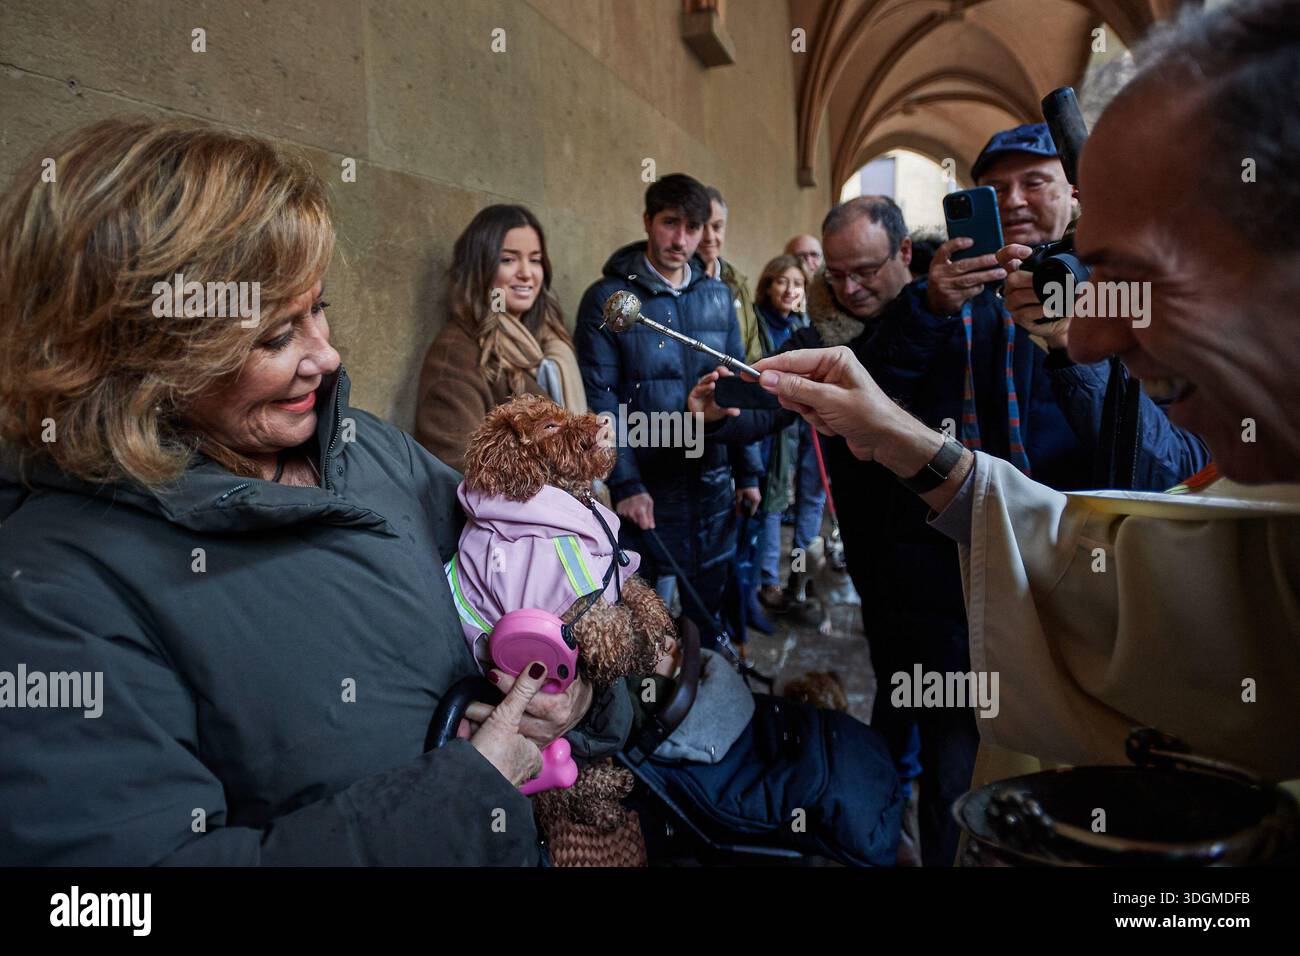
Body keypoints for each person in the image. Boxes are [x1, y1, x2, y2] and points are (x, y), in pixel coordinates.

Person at [0, 119, 612, 865]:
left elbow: (525, 577)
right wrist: (463, 797)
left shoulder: (364, 447)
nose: (326, 354)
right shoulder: (52, 595)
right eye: (271, 337)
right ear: (136, 357)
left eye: (316, 308)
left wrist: (578, 686)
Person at [753, 0, 1300, 783]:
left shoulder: (1102, 339)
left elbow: (1157, 499)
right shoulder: (946, 305)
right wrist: (903, 417)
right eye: (994, 190)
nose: (1104, 329)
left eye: (1138, 277)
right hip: (949, 614)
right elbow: (1141, 570)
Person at [694, 194, 1093, 867]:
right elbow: (776, 393)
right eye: (838, 275)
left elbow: (885, 373)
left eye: (866, 271)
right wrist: (723, 408)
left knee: (952, 755)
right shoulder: (831, 327)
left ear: (905, 253)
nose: (851, 288)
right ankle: (881, 834)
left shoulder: (966, 307)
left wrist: (931, 309)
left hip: (959, 568)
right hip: (884, 575)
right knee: (896, 709)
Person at [958, 122, 1210, 490]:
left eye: (1034, 182)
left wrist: (1070, 345)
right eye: (996, 188)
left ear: (1074, 192)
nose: (1012, 200)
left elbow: (1175, 474)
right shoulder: (963, 298)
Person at [574, 173, 762, 639]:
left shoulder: (719, 297)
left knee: (705, 611)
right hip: (649, 491)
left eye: (693, 227)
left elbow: (734, 385)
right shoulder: (609, 300)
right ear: (647, 221)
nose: (682, 239)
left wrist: (749, 471)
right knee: (646, 622)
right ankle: (654, 704)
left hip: (712, 481)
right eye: (670, 223)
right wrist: (627, 483)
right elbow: (602, 400)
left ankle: (704, 697)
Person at [414, 204, 587, 475]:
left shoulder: (552, 346)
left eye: (535, 259)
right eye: (508, 260)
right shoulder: (456, 353)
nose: (526, 273)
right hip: (515, 514)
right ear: (480, 268)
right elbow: (457, 467)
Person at [745, 255, 826, 613]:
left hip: (806, 426)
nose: (790, 290)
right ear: (768, 285)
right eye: (782, 281)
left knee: (811, 500)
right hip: (773, 427)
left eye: (797, 283)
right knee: (773, 502)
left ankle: (800, 576)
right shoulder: (757, 323)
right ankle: (768, 580)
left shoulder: (805, 326)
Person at [698, 186, 763, 366]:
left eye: (717, 226)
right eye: (702, 227)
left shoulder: (737, 282)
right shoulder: (678, 282)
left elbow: (752, 348)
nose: (709, 237)